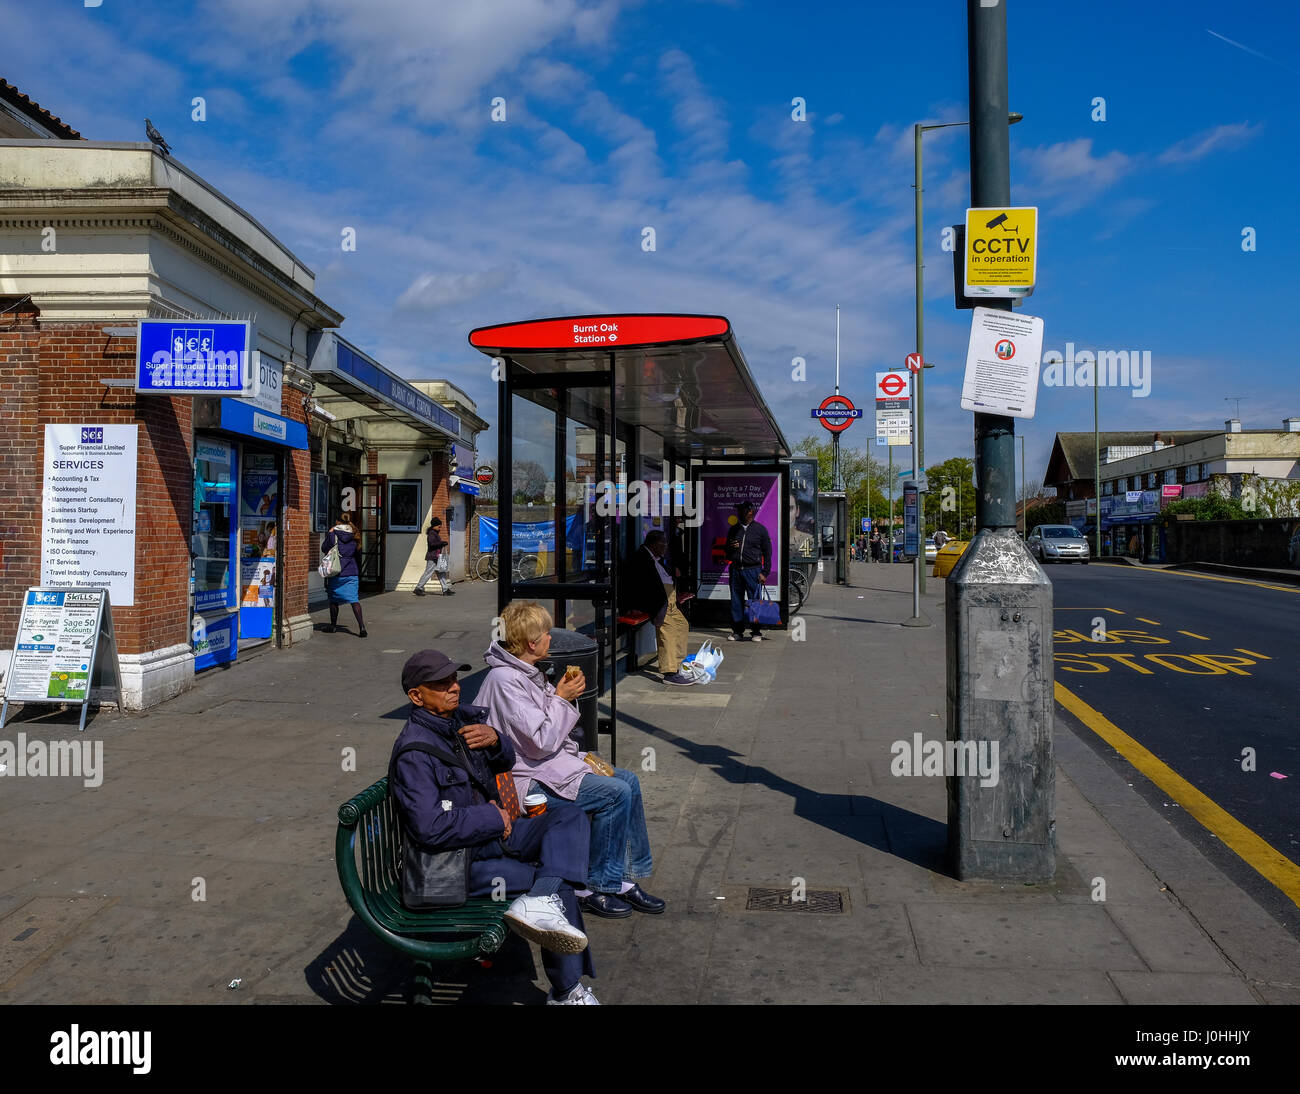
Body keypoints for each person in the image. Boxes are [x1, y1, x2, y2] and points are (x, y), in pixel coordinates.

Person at [388, 650, 599, 1004]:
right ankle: (567, 991)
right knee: (554, 882)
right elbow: (429, 827)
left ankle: (544, 902)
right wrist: (494, 818)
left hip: (489, 837)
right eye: (441, 684)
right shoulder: (415, 753)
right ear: (416, 696)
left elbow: (505, 762)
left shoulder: (458, 723)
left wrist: (496, 740)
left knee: (569, 816)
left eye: (454, 679)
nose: (454, 688)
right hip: (458, 864)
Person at [476, 601, 665, 920]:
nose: (551, 638)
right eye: (546, 633)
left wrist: (561, 701)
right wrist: (562, 698)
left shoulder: (526, 673)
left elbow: (546, 733)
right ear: (532, 642)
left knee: (628, 780)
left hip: (550, 765)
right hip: (525, 780)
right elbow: (539, 743)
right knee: (614, 793)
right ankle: (598, 883)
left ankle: (621, 876)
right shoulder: (505, 681)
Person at [621, 530, 695, 686]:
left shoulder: (657, 558)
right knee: (668, 629)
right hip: (658, 600)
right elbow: (636, 586)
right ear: (653, 544)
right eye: (663, 543)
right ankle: (669, 673)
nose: (666, 546)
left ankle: (678, 663)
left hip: (669, 597)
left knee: (682, 625)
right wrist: (633, 606)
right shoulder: (641, 557)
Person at [725, 501, 772, 642]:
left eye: (743, 510)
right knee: (736, 601)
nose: (739, 513)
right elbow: (726, 552)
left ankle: (756, 632)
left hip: (753, 570)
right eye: (739, 510)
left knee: (755, 602)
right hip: (736, 570)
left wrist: (765, 572)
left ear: (750, 512)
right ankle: (737, 632)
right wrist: (731, 548)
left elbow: (767, 552)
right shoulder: (733, 530)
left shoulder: (760, 530)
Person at [322, 512, 367, 637]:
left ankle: (333, 626)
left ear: (337, 522)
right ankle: (362, 627)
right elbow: (358, 556)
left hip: (336, 572)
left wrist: (330, 533)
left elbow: (324, 548)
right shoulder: (354, 534)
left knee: (333, 600)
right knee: (354, 600)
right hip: (351, 572)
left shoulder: (333, 534)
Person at [413, 517, 453, 596]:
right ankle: (418, 588)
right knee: (428, 573)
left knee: (441, 573)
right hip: (433, 557)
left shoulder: (434, 533)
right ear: (434, 526)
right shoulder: (432, 533)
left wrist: (441, 543)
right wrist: (441, 543)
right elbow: (432, 544)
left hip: (436, 556)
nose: (440, 527)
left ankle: (445, 589)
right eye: (439, 526)